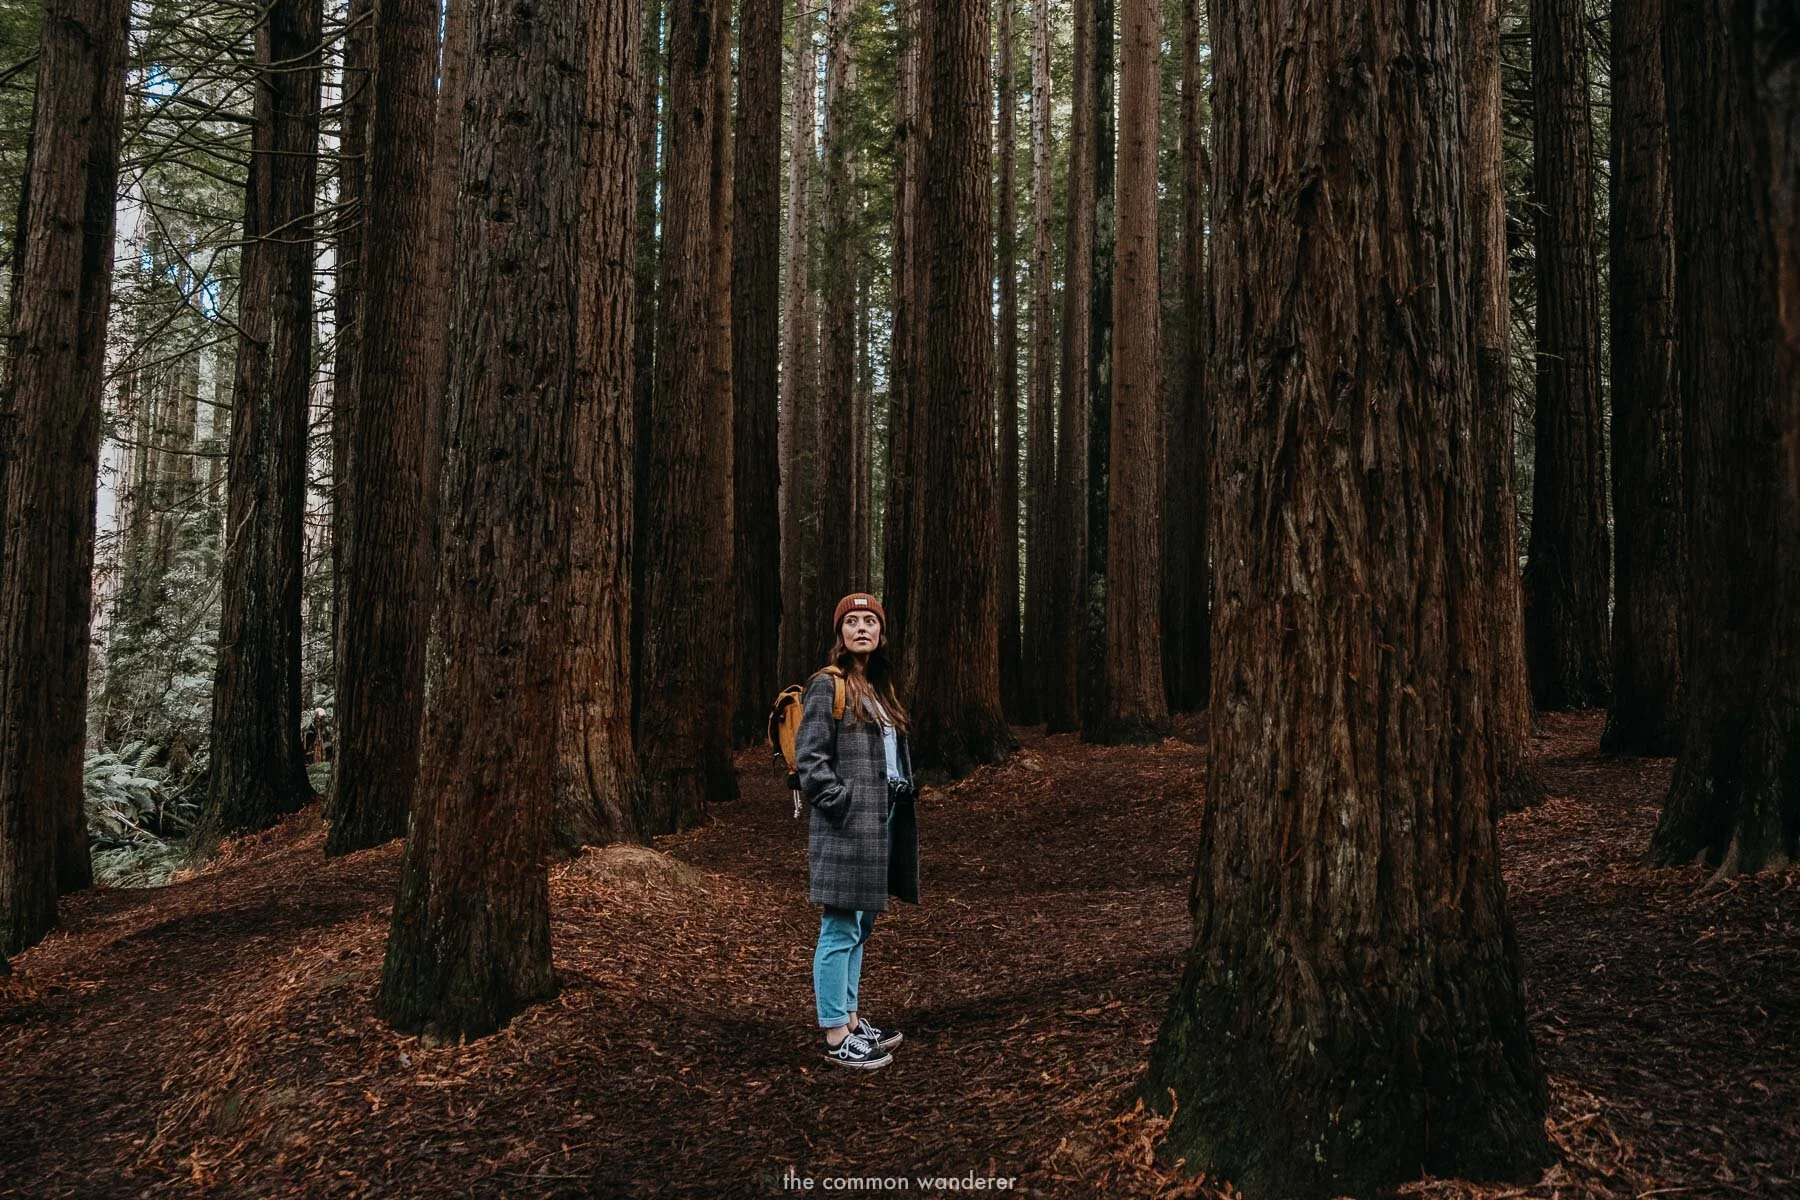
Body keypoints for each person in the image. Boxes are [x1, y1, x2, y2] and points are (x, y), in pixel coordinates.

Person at [794, 592, 920, 1070]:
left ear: (881, 633)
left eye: (870, 621)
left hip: (882, 821)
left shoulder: (879, 689)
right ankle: (833, 1036)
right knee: (839, 926)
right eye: (853, 622)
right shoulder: (828, 685)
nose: (862, 628)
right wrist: (840, 802)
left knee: (861, 925)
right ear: (840, 634)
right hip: (846, 825)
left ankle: (849, 1019)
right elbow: (811, 758)